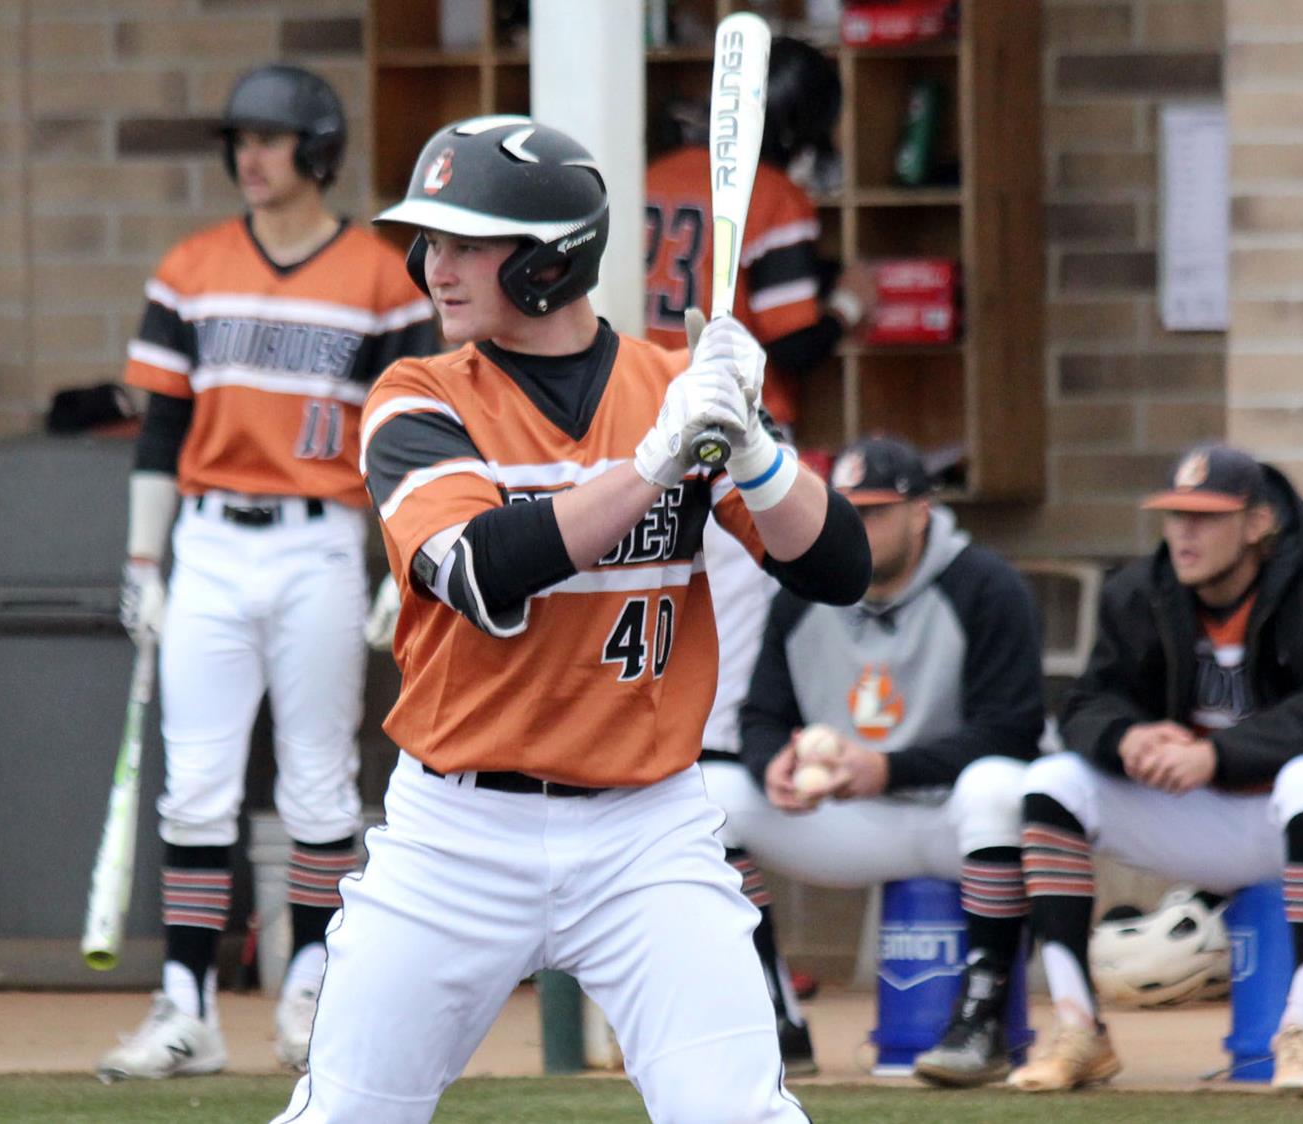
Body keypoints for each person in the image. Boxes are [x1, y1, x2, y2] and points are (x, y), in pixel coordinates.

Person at [271, 114, 872, 1124]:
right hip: (457, 830)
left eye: (467, 241)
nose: (435, 266)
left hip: (646, 828)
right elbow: (478, 567)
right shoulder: (414, 394)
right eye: (432, 240)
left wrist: (755, 445)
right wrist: (653, 465)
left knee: (738, 1115)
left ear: (550, 258)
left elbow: (837, 567)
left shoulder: (666, 390)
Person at [100, 64, 437, 1081]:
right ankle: (187, 1007)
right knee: (195, 786)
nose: (249, 155)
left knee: (318, 782)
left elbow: (406, 434)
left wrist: (400, 557)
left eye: (270, 138)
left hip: (322, 536)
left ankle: (312, 993)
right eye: (239, 137)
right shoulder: (191, 265)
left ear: (317, 150)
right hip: (206, 537)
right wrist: (142, 559)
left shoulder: (381, 274)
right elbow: (160, 426)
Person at [1011, 444, 1303, 1094]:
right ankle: (1079, 1026)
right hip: (1218, 821)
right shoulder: (1142, 592)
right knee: (1051, 783)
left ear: (1257, 524)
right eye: (1176, 515)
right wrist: (1125, 736)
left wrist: (1217, 753)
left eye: (1207, 517)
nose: (1185, 532)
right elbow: (1084, 704)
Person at [714, 435, 1045, 1086]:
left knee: (999, 787)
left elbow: (1012, 732)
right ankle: (774, 1020)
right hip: (851, 817)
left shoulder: (984, 584)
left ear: (920, 511)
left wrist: (887, 769)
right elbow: (761, 716)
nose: (856, 529)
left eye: (874, 513)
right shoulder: (803, 591)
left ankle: (981, 1021)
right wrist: (770, 764)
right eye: (846, 512)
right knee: (708, 796)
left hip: (952, 821)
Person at [642, 37, 876, 433]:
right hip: (736, 421)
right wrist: (848, 306)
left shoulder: (651, 177)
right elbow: (793, 347)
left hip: (645, 411)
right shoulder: (774, 194)